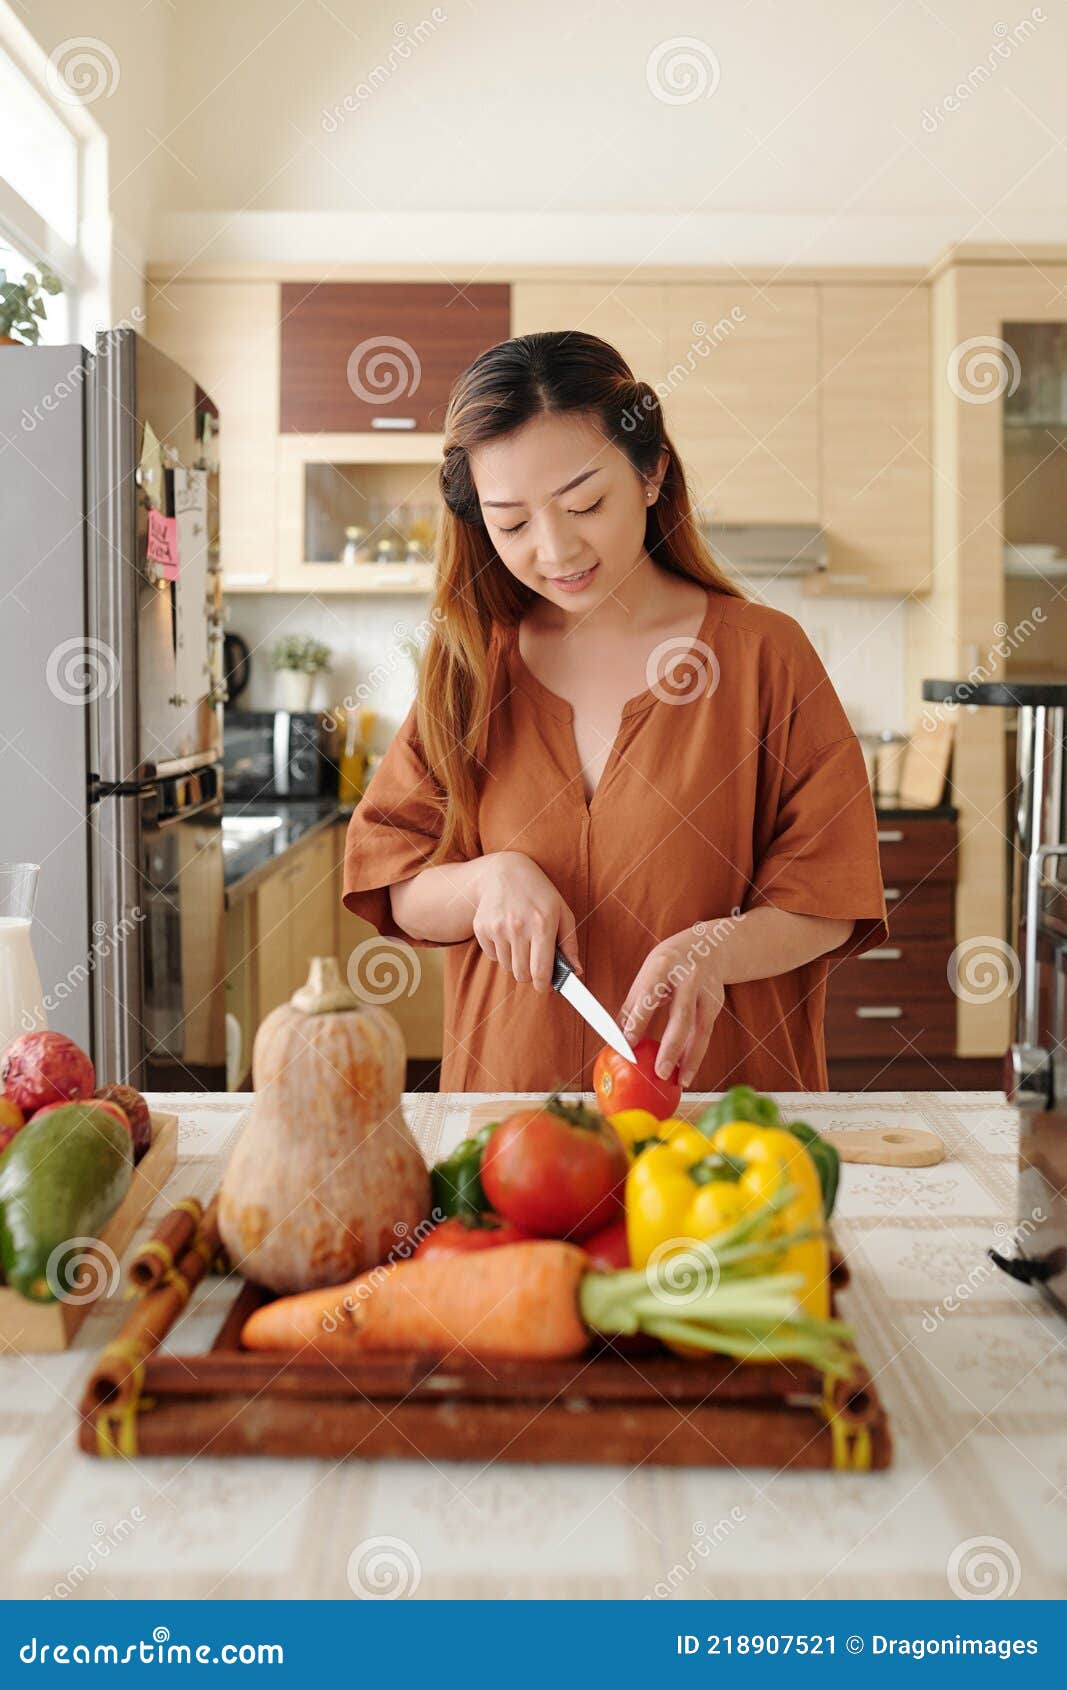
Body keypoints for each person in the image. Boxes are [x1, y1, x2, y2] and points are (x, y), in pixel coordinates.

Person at [342, 330, 887, 1094]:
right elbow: (395, 881)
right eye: (512, 523)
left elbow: (829, 900)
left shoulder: (766, 655)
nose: (555, 548)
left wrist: (715, 951)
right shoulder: (469, 665)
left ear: (652, 471)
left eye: (584, 503)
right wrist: (484, 882)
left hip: (722, 1121)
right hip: (515, 1128)